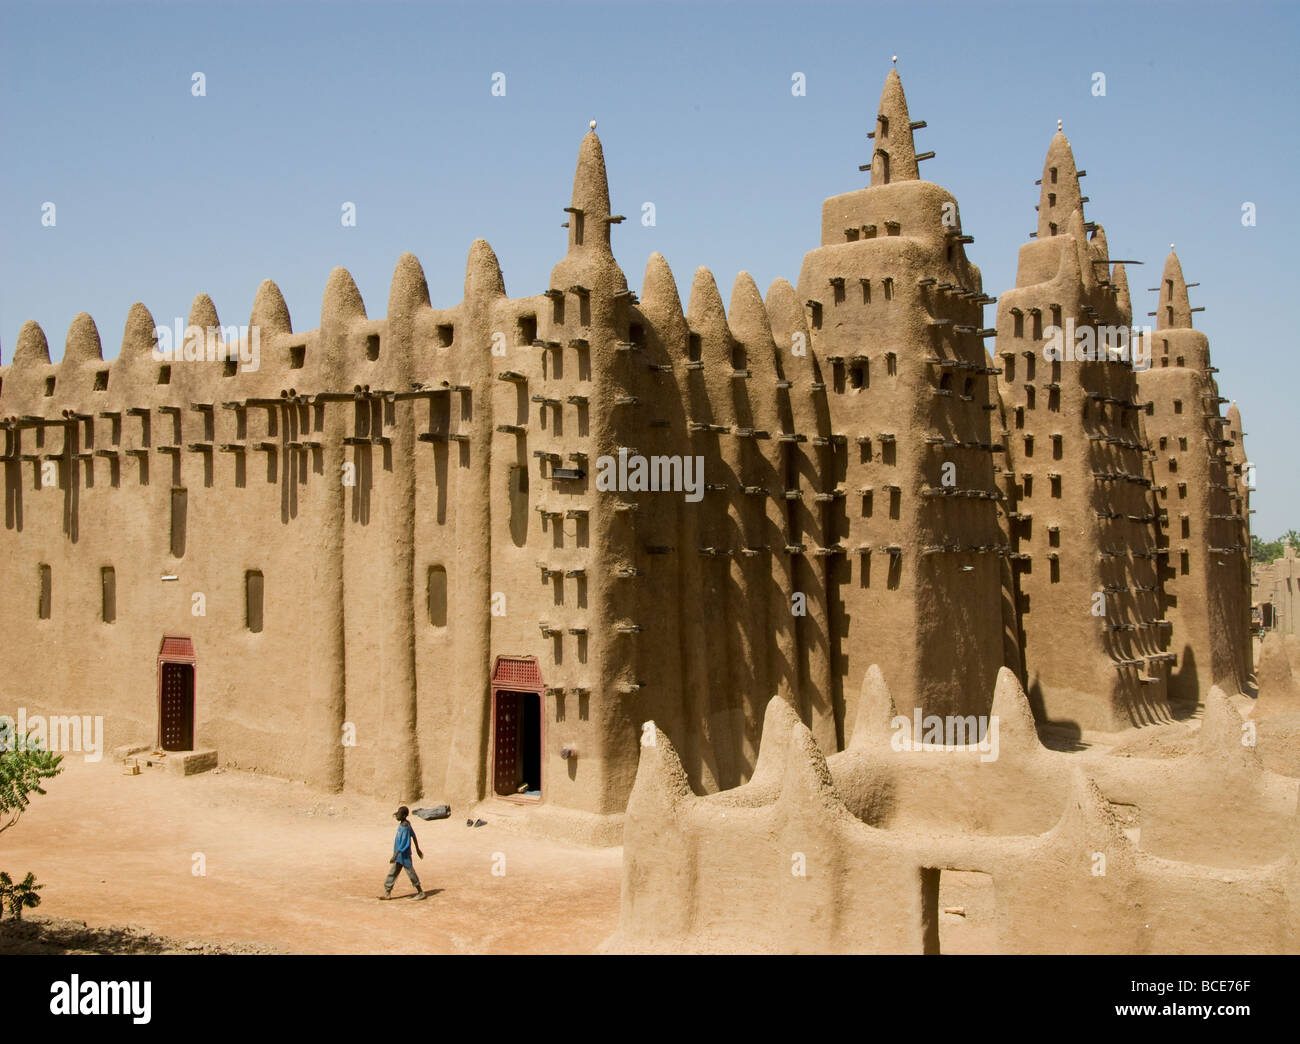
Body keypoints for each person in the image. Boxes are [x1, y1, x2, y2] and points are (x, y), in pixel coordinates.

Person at [381, 805, 426, 900]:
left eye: (399, 814)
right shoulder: (405, 824)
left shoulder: (405, 826)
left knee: (410, 872)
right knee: (393, 872)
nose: (397, 816)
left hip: (403, 855)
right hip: (399, 854)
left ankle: (420, 892)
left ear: (405, 815)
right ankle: (387, 892)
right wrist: (417, 849)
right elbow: (414, 836)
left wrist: (395, 855)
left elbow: (405, 842)